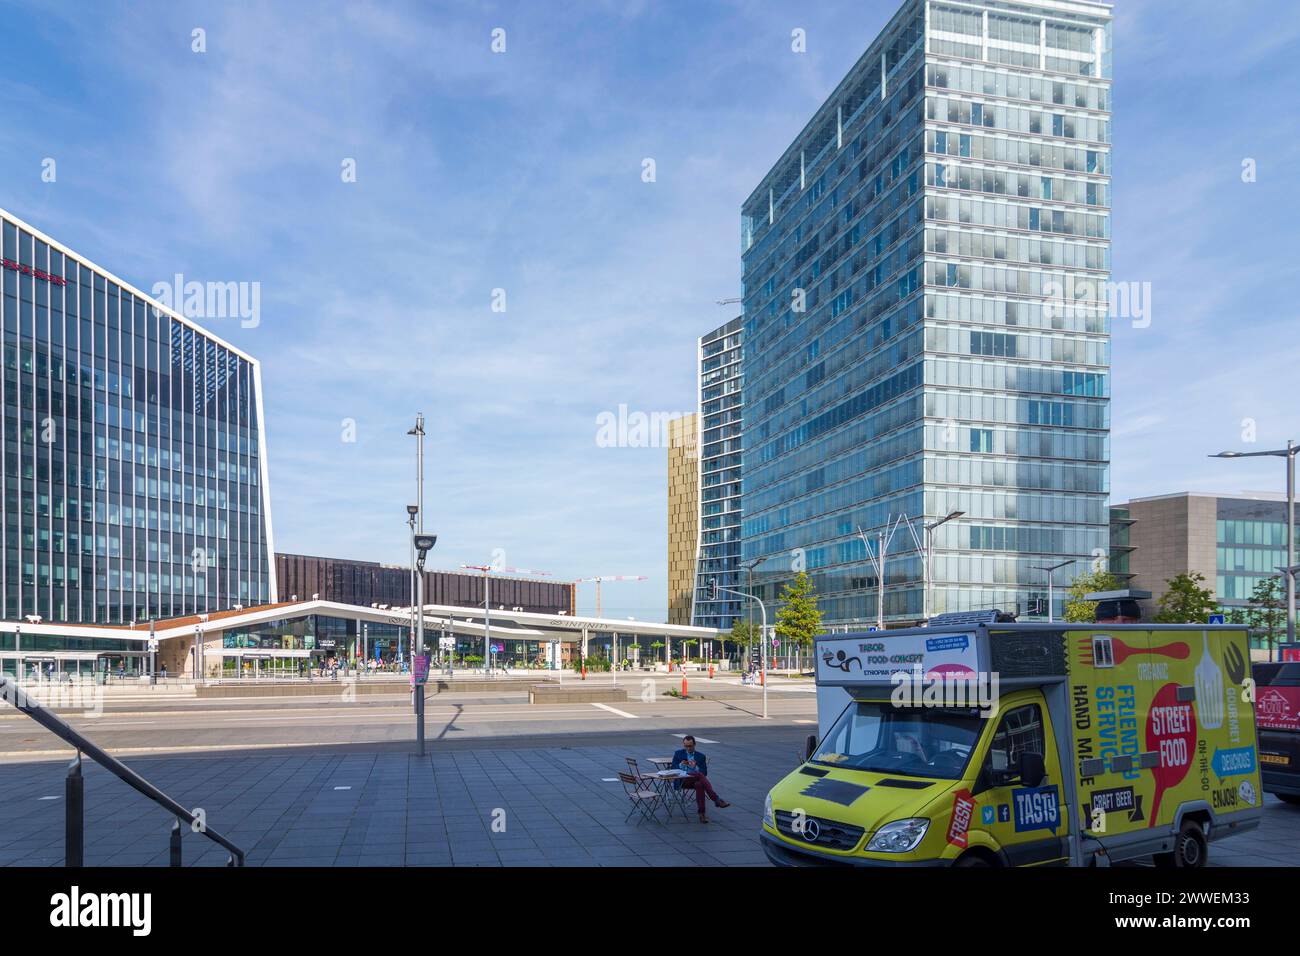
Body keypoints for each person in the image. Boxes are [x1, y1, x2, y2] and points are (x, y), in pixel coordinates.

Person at [671, 735, 730, 823]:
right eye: (686, 746)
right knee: (699, 775)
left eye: (690, 746)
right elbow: (673, 768)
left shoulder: (700, 756)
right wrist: (680, 765)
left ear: (694, 745)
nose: (688, 748)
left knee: (700, 784)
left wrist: (696, 767)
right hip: (683, 780)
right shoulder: (678, 753)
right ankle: (716, 799)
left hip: (695, 779)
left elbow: (704, 772)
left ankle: (702, 814)